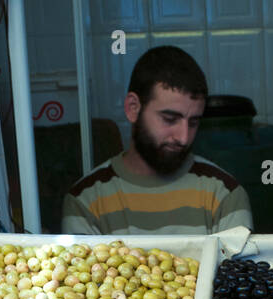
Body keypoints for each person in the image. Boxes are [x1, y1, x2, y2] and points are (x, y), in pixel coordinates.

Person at [62, 46, 253, 235]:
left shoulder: (225, 195)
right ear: (133, 108)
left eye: (194, 122)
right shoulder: (85, 201)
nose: (183, 138)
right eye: (169, 119)